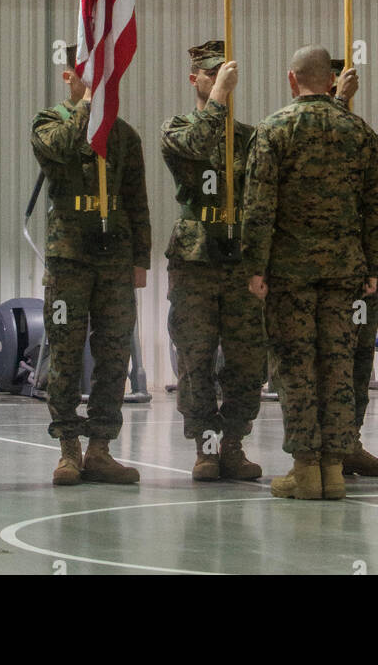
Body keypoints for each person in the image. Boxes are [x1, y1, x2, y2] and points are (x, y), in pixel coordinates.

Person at [242, 46, 378, 501]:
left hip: (290, 273)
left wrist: (255, 266)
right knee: (339, 365)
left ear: (293, 80)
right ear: (331, 82)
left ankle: (306, 468)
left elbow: (258, 207)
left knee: (295, 367)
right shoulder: (361, 133)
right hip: (346, 273)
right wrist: (376, 264)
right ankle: (334, 467)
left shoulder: (274, 130)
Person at [31, 47, 151, 486]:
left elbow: (137, 201)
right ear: (69, 77)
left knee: (114, 352)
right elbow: (60, 150)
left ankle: (100, 447)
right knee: (65, 351)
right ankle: (68, 448)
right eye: (88, 74)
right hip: (70, 258)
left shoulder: (124, 136)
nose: (98, 82)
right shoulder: (47, 123)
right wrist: (87, 106)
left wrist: (141, 258)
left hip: (115, 258)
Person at [161, 41, 265, 481]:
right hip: (196, 258)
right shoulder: (177, 129)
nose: (217, 79)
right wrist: (219, 97)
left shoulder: (250, 137)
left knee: (246, 358)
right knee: (196, 357)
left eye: (223, 73)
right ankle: (205, 446)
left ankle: (234, 443)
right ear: (195, 79)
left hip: (240, 258)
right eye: (209, 74)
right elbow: (202, 145)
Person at [330, 61, 378, 478]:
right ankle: (321, 448)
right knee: (321, 359)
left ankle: (349, 440)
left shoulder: (370, 142)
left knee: (357, 357)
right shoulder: (299, 131)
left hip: (359, 272)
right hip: (313, 272)